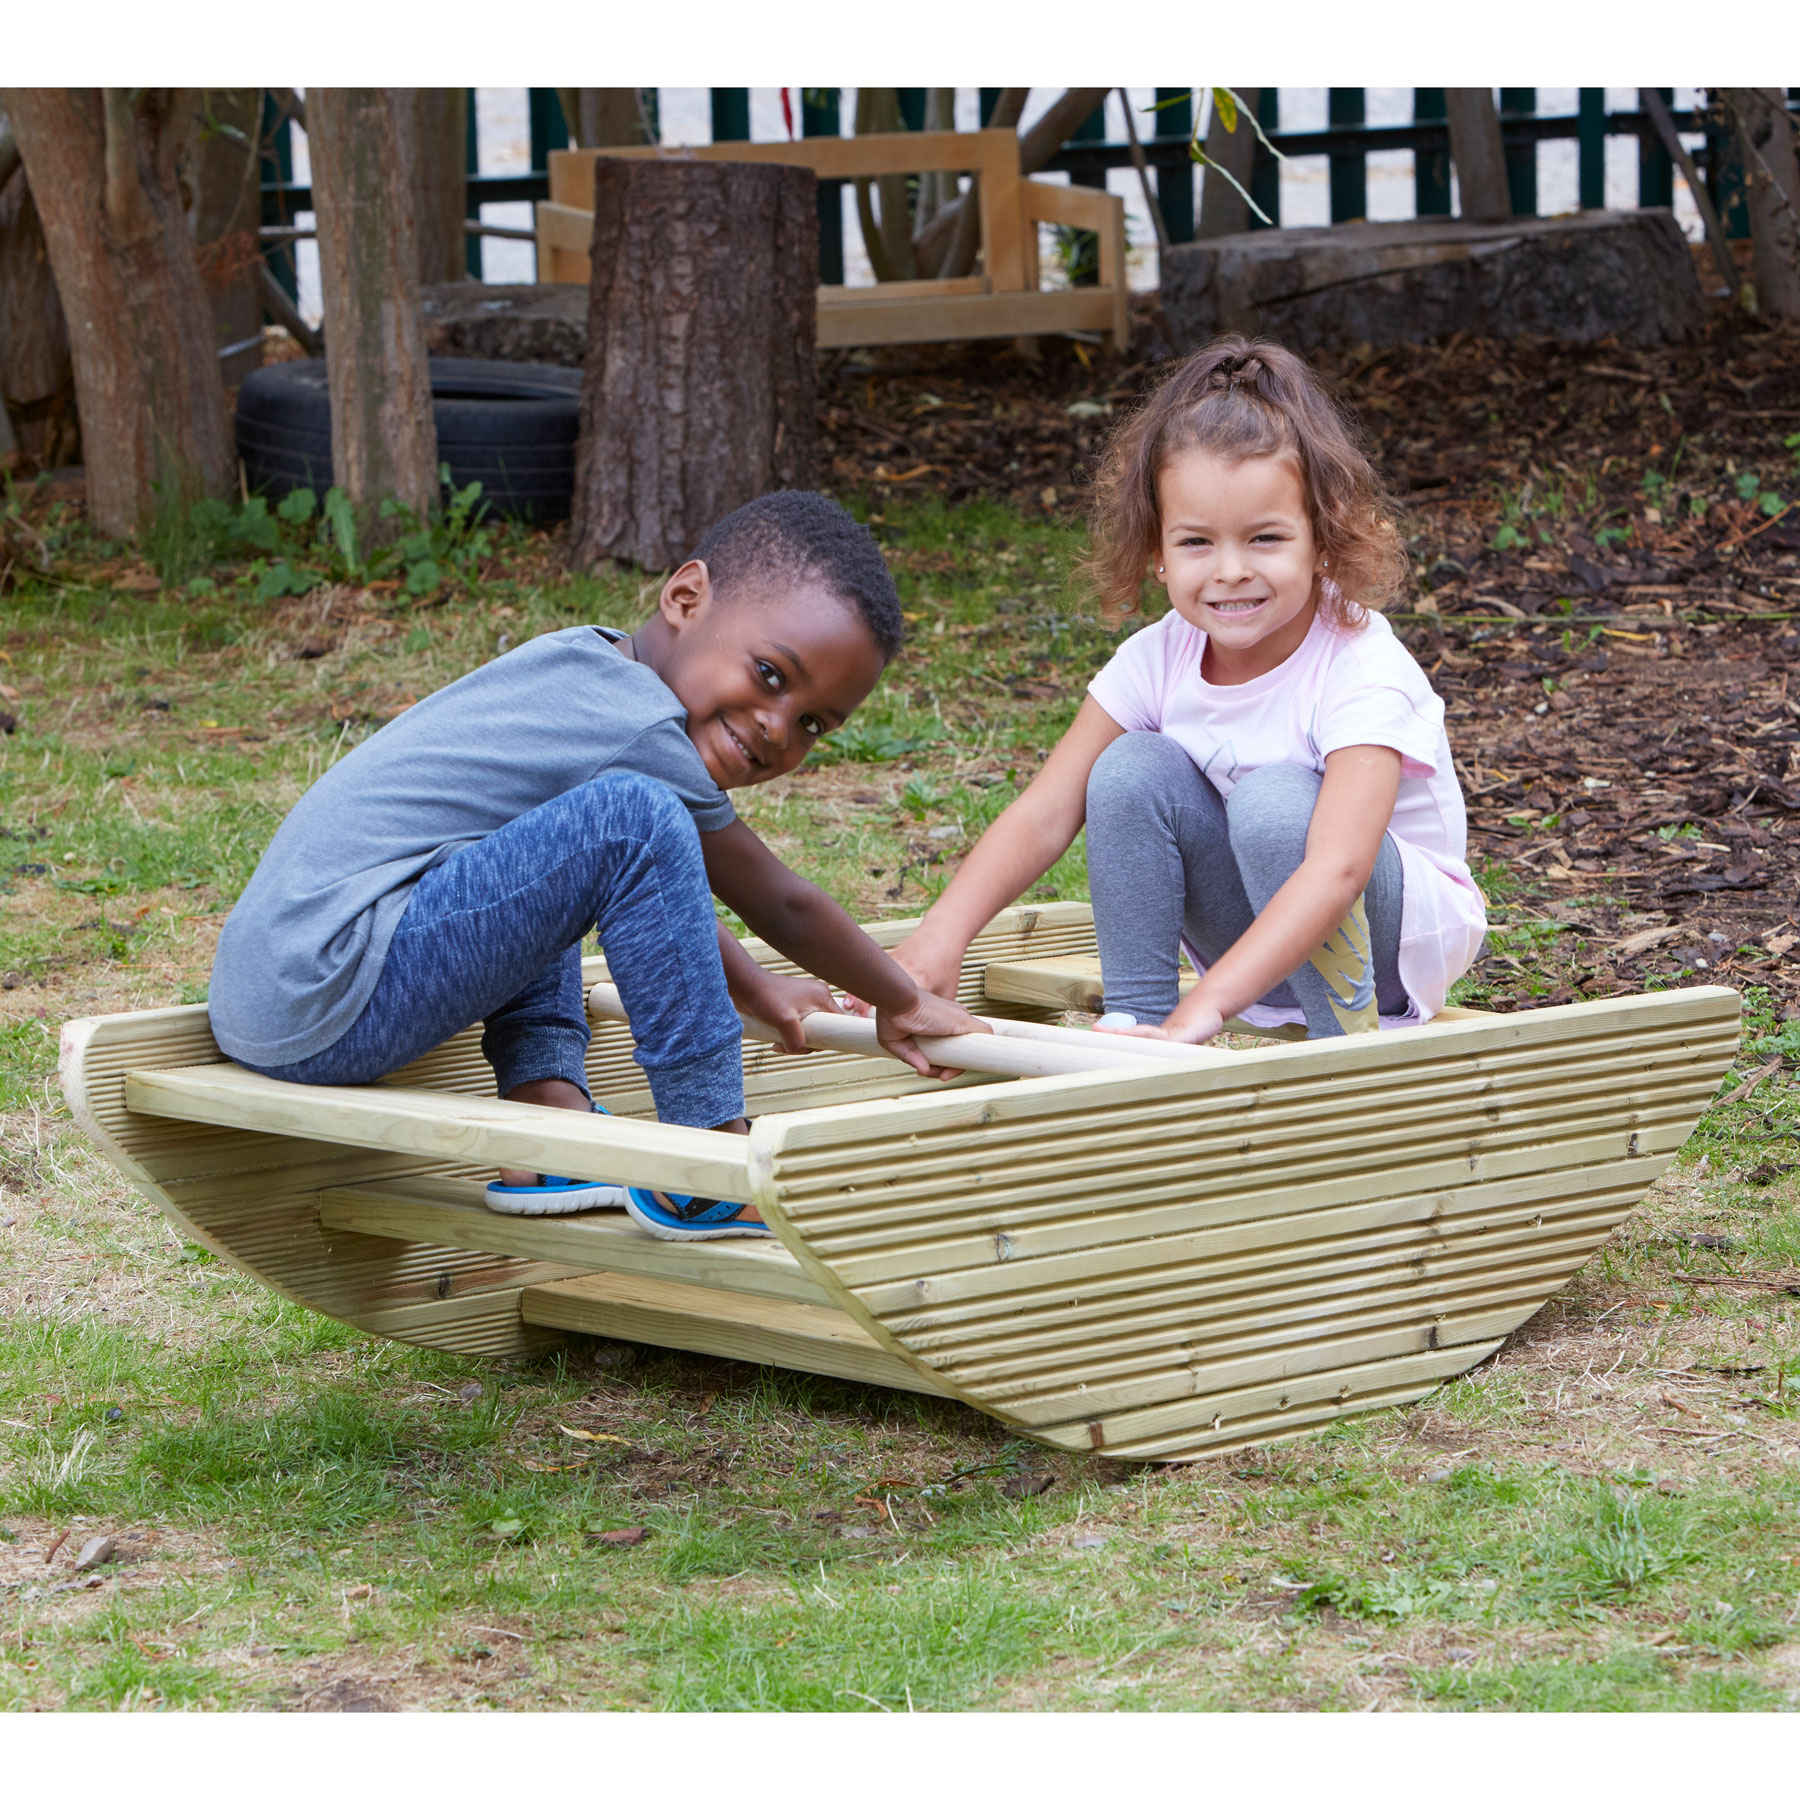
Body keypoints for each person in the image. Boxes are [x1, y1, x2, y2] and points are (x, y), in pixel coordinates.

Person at [208, 490, 983, 1242]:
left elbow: (642, 892)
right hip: (330, 990)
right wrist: (901, 998)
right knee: (630, 818)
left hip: (275, 994)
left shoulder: (587, 664)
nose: (779, 729)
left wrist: (755, 986)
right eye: (771, 676)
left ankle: (550, 1127)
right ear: (685, 597)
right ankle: (705, 1158)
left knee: (575, 830)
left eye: (813, 722)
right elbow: (781, 904)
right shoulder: (641, 727)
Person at [885, 336, 1486, 1046]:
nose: (1229, 571)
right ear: (1156, 552)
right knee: (1130, 768)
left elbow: (1338, 867)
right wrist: (939, 939)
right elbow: (1046, 810)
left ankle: (1342, 1050)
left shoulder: (1359, 663)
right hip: (1259, 930)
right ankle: (1136, 1031)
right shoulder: (1158, 657)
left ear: (1323, 540)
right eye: (1196, 543)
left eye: (1265, 538)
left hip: (1390, 946)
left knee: (1272, 802)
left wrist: (1206, 1006)